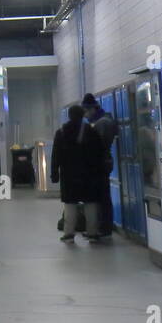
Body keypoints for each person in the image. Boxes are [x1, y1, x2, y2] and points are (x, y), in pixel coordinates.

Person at [52, 104, 105, 242]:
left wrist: (54, 173)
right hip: (88, 173)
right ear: (82, 115)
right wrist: (99, 171)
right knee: (90, 203)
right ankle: (92, 233)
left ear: (69, 115)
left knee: (70, 205)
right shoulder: (89, 131)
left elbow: (55, 155)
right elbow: (98, 152)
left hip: (68, 174)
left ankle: (69, 234)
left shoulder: (61, 132)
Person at [81, 93, 117, 242]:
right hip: (103, 163)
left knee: (101, 197)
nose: (85, 115)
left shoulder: (101, 123)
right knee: (102, 197)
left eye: (86, 112)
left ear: (92, 109)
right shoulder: (103, 121)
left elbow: (97, 146)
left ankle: (104, 228)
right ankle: (102, 227)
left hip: (100, 164)